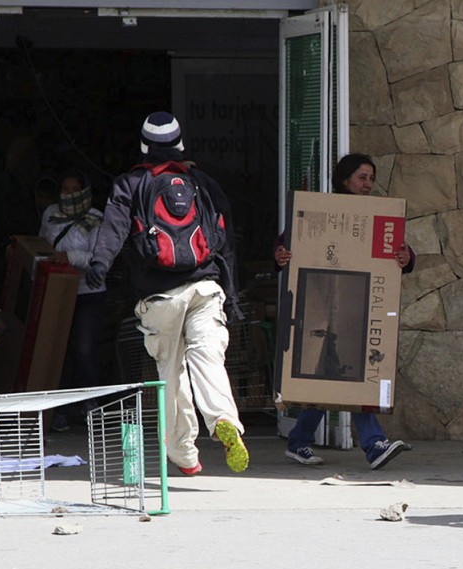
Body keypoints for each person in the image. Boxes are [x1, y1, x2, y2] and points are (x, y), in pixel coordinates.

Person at [86, 111, 248, 476]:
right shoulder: (204, 183)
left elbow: (113, 228)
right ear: (180, 144)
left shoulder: (131, 183)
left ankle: (184, 454)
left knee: (171, 372)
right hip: (206, 288)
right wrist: (232, 293)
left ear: (144, 146)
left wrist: (99, 267)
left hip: (160, 298)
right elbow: (228, 243)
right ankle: (223, 418)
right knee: (208, 357)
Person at [275, 152, 414, 468]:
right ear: (345, 179)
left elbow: (398, 251)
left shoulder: (377, 213)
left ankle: (299, 441)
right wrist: (281, 254)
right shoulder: (322, 210)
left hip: (354, 309)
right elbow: (287, 243)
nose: (368, 184)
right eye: (362, 177)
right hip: (321, 307)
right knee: (344, 377)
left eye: (371, 178)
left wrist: (406, 257)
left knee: (336, 377)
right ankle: (374, 444)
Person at [38, 170, 106, 431]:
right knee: (59, 351)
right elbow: (42, 244)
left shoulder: (97, 219)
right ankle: (61, 410)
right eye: (64, 189)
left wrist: (68, 257)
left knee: (85, 350)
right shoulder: (51, 214)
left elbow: (99, 258)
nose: (68, 194)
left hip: (88, 293)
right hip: (57, 294)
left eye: (73, 189)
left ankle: (93, 406)